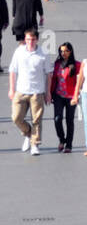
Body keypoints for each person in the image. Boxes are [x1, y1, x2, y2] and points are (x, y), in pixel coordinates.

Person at [9, 26, 52, 155]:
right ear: (25, 39)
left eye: (33, 39)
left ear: (37, 40)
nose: (30, 42)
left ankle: (35, 144)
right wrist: (12, 89)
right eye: (28, 39)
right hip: (21, 91)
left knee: (37, 120)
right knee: (16, 117)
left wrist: (47, 92)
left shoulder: (43, 53)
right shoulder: (19, 52)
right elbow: (13, 70)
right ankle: (28, 134)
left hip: (37, 92)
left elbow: (49, 74)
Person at [50, 42, 79, 154]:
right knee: (57, 119)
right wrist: (50, 93)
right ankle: (62, 139)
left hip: (71, 97)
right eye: (61, 51)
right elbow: (53, 79)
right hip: (58, 95)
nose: (64, 53)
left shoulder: (76, 65)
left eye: (66, 51)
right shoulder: (57, 64)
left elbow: (81, 80)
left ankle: (69, 145)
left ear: (70, 52)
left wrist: (78, 94)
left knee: (69, 120)